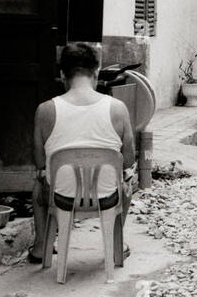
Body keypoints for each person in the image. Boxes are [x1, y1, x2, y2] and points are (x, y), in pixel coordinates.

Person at [30, 42, 135, 263]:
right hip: (107, 197)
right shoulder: (118, 108)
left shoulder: (45, 110)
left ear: (62, 74)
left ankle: (41, 247)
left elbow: (40, 162)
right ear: (96, 72)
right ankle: (117, 244)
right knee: (126, 182)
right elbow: (128, 160)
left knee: (39, 184)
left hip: (61, 198)